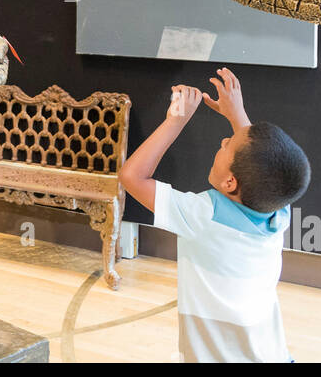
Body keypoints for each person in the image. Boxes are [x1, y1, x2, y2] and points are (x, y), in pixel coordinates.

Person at [118, 68, 310, 362]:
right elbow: (258, 163)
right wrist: (237, 115)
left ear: (230, 182)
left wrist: (176, 120)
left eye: (227, 146)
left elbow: (132, 176)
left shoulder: (204, 217)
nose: (223, 141)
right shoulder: (278, 211)